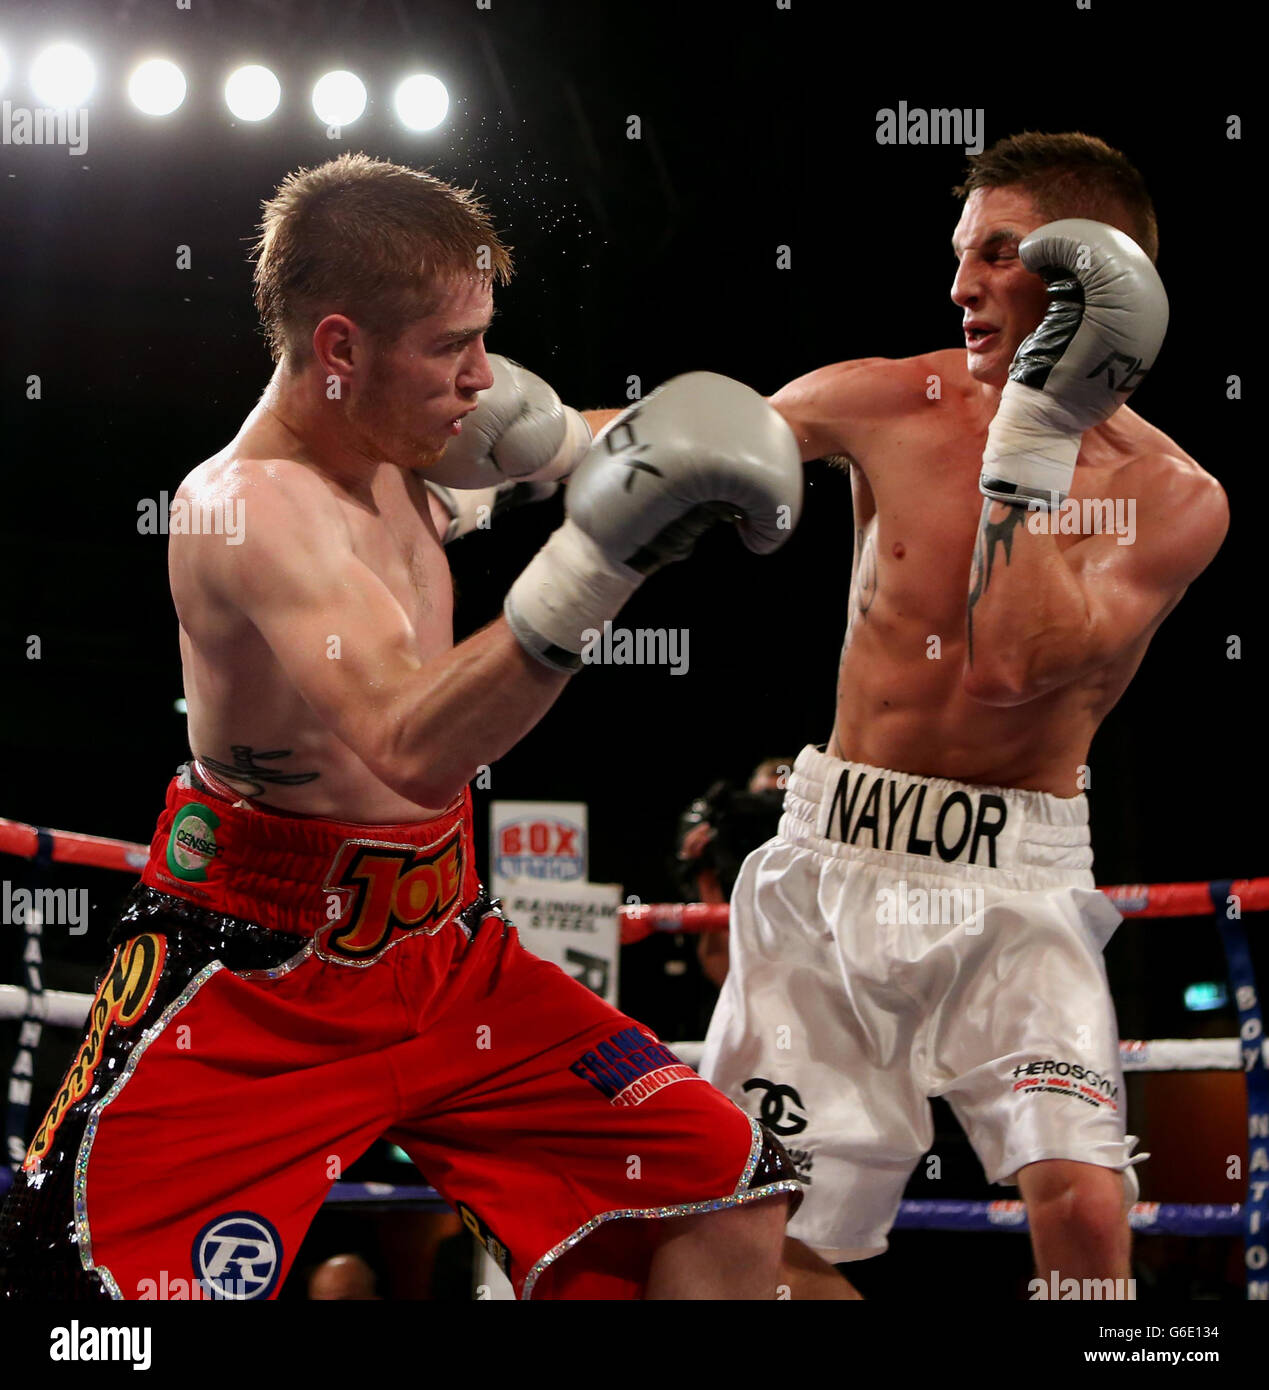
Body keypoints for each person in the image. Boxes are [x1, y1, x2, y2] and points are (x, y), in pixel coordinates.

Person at [0, 153, 806, 1302]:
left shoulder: (409, 448)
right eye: (451, 346)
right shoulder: (246, 509)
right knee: (79, 1294)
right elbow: (410, 743)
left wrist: (785, 435)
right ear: (339, 346)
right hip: (258, 970)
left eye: (484, 339)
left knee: (721, 1186)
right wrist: (598, 560)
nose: (483, 376)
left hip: (444, 947)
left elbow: (615, 442)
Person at [697, 133, 1229, 1298]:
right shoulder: (894, 398)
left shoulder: (1172, 496)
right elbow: (695, 449)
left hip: (1016, 881)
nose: (959, 286)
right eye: (959, 254)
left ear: (1093, 274)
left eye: (996, 253)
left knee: (1084, 1203)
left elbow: (1008, 664)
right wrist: (508, 451)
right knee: (766, 1246)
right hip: (836, 855)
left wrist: (1034, 424)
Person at [674, 757, 792, 988]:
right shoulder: (724, 851)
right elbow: (723, 972)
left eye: (779, 801)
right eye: (762, 798)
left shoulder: (817, 864)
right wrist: (704, 871)